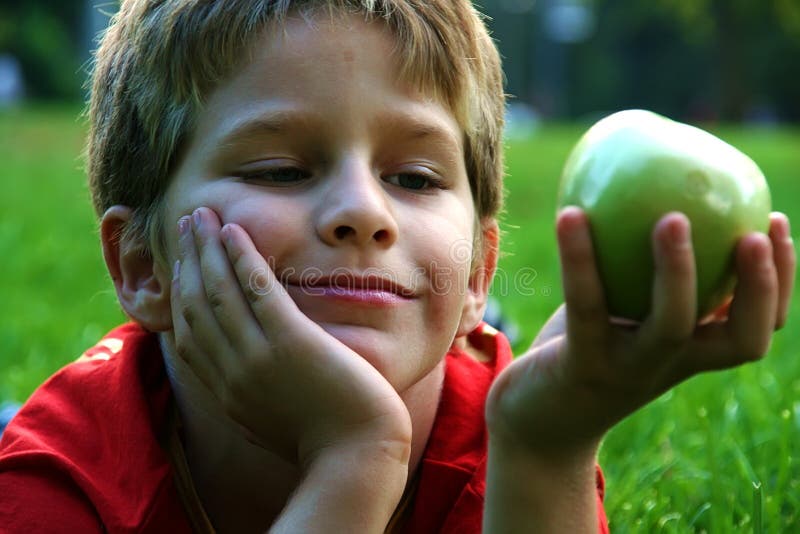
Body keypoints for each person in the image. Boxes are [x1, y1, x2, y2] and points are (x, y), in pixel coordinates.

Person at [0, 1, 795, 532]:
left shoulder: (507, 438)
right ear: (142, 265)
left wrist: (548, 447)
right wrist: (355, 457)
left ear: (481, 272)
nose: (364, 211)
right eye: (280, 170)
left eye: (414, 179)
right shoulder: (56, 486)